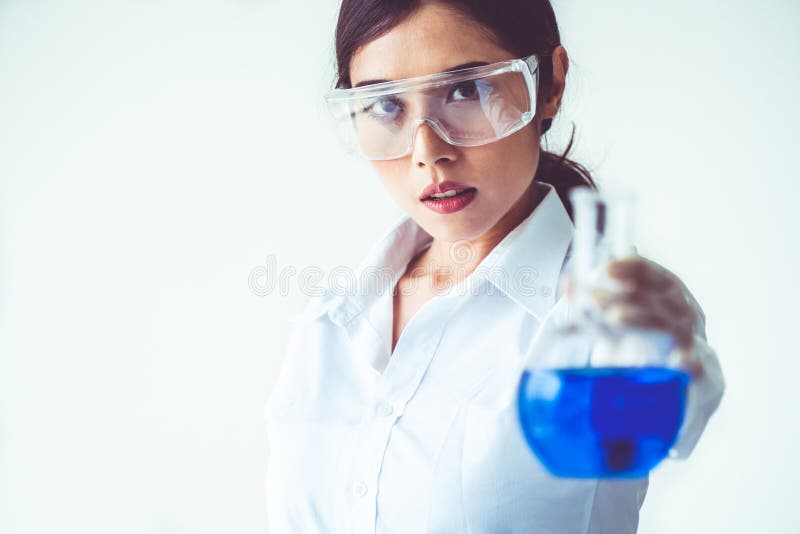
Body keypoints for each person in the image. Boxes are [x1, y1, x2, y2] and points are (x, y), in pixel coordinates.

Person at [264, 1, 725, 532]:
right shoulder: (331, 323)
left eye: (466, 90)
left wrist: (664, 346)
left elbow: (675, 411)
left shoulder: (600, 315)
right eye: (386, 105)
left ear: (550, 83)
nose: (427, 151)